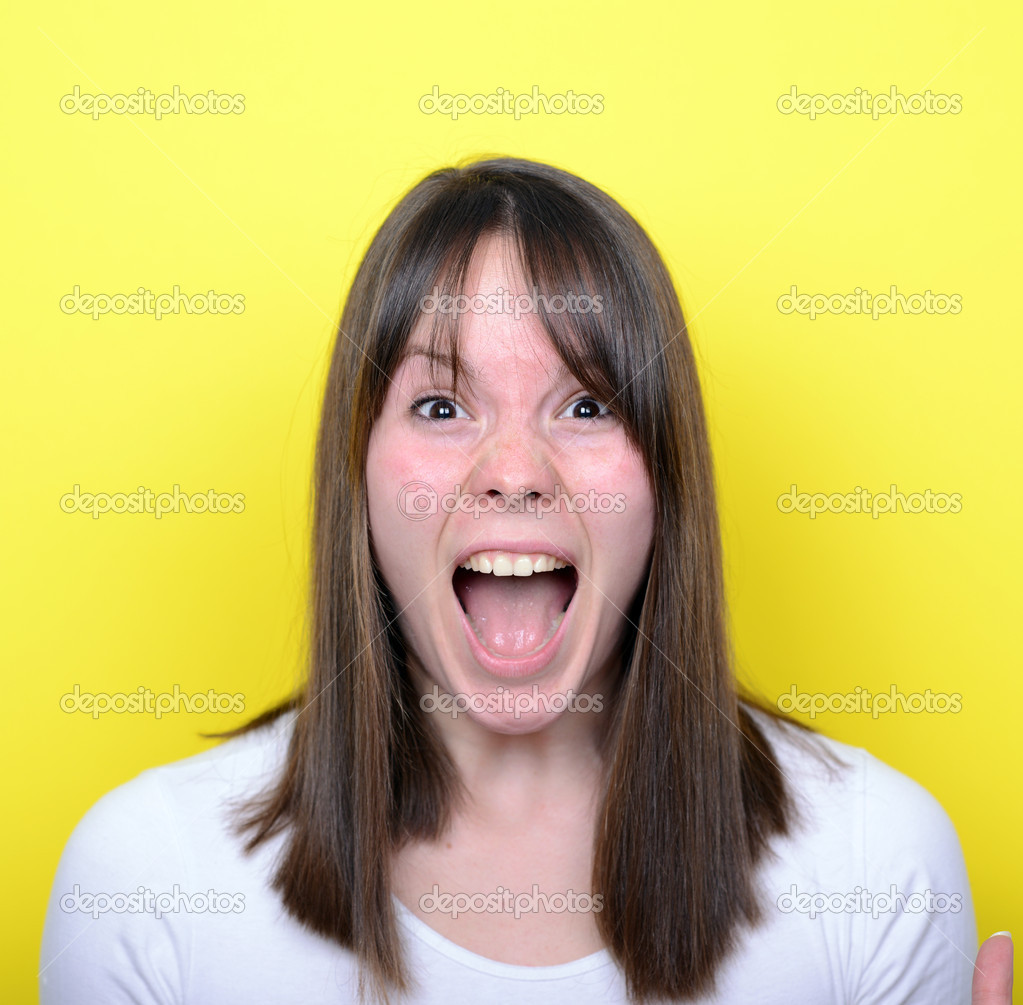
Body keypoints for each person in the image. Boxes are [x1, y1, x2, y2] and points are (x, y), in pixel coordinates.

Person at [40, 157, 1012, 1003]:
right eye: (439, 404)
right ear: (362, 477)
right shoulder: (144, 879)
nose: (514, 469)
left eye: (587, 404)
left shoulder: (879, 861)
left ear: (666, 474)